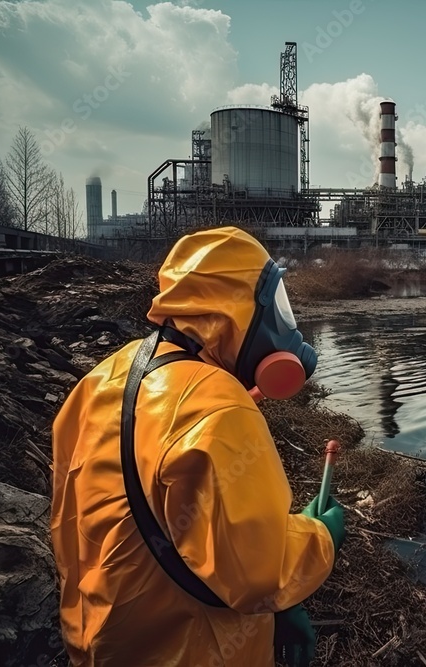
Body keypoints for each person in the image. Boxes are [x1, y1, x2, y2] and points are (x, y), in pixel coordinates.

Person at [51, 226, 344, 666]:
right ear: (235, 310)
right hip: (190, 649)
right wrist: (321, 537)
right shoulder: (218, 406)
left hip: (100, 641)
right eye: (275, 309)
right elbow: (258, 574)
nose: (283, 328)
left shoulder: (102, 379)